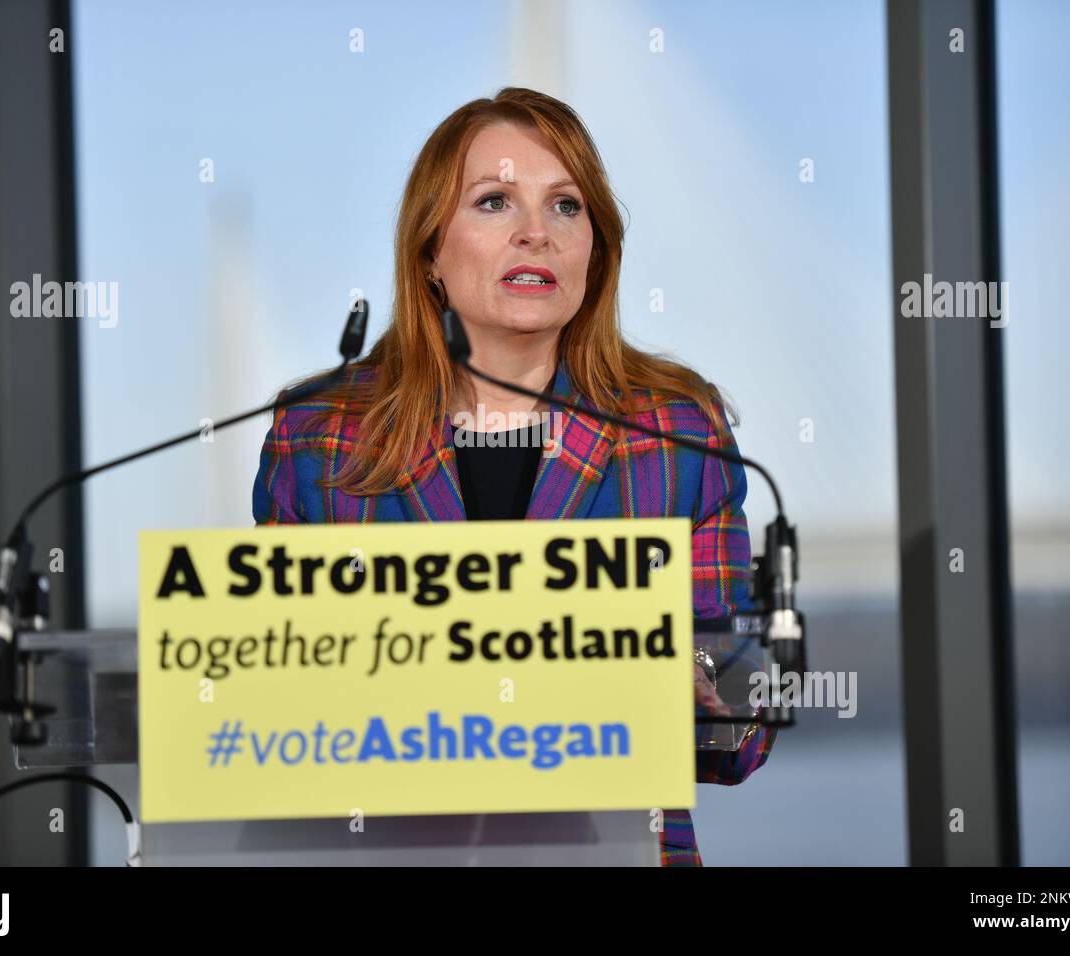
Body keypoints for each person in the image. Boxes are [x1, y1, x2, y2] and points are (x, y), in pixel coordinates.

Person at [253, 86, 776, 866]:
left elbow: (740, 713)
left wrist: (698, 689)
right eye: (496, 201)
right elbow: (269, 690)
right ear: (429, 250)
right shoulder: (321, 438)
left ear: (596, 249)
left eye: (567, 208)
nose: (537, 233)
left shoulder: (675, 431)